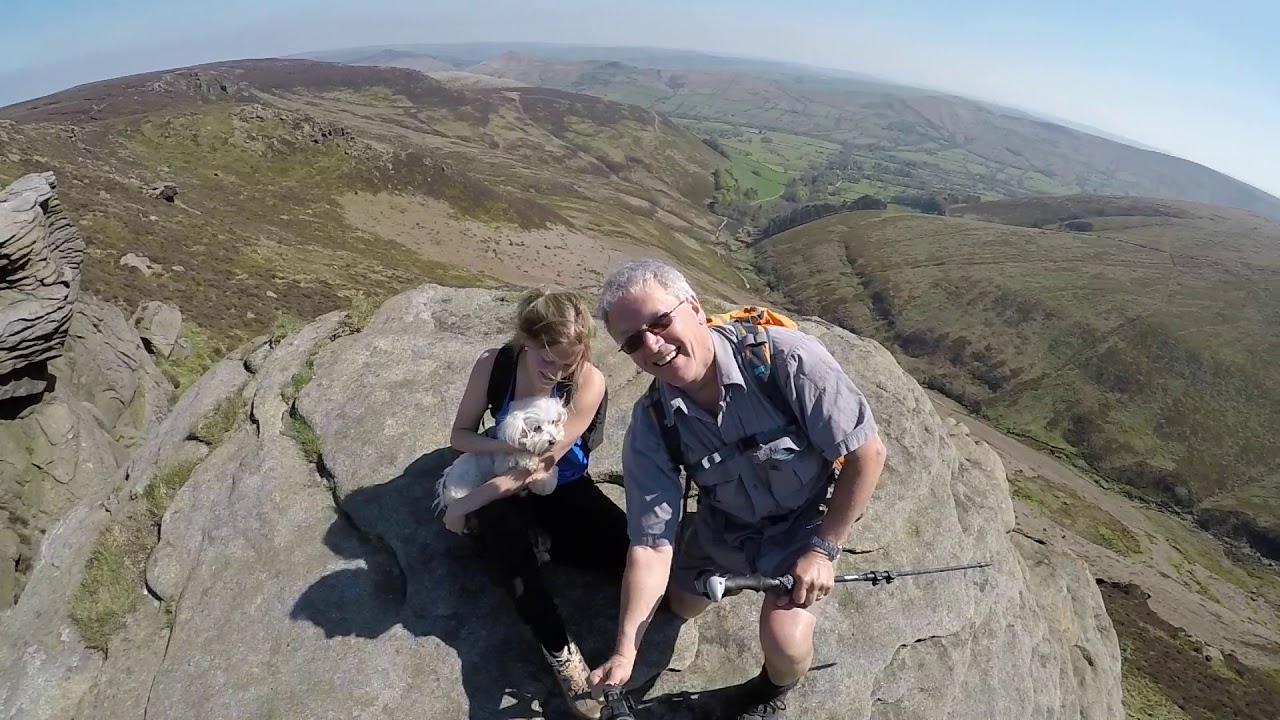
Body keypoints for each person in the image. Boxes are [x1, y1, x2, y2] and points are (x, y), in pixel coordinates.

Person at [586, 259, 888, 720]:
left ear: (693, 306)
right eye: (632, 342)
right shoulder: (654, 421)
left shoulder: (784, 359)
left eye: (660, 321)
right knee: (680, 605)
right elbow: (650, 544)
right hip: (724, 525)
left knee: (786, 642)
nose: (652, 345)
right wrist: (626, 649)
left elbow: (867, 454)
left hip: (804, 521)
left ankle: (771, 691)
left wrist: (823, 550)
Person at [444, 288, 629, 720]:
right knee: (512, 556)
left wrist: (461, 505)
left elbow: (539, 466)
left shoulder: (587, 380)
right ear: (524, 340)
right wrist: (497, 446)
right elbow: (459, 436)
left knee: (629, 555)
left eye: (568, 360)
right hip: (500, 473)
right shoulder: (496, 365)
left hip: (559, 482)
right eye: (547, 358)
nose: (556, 370)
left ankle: (541, 544)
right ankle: (560, 651)